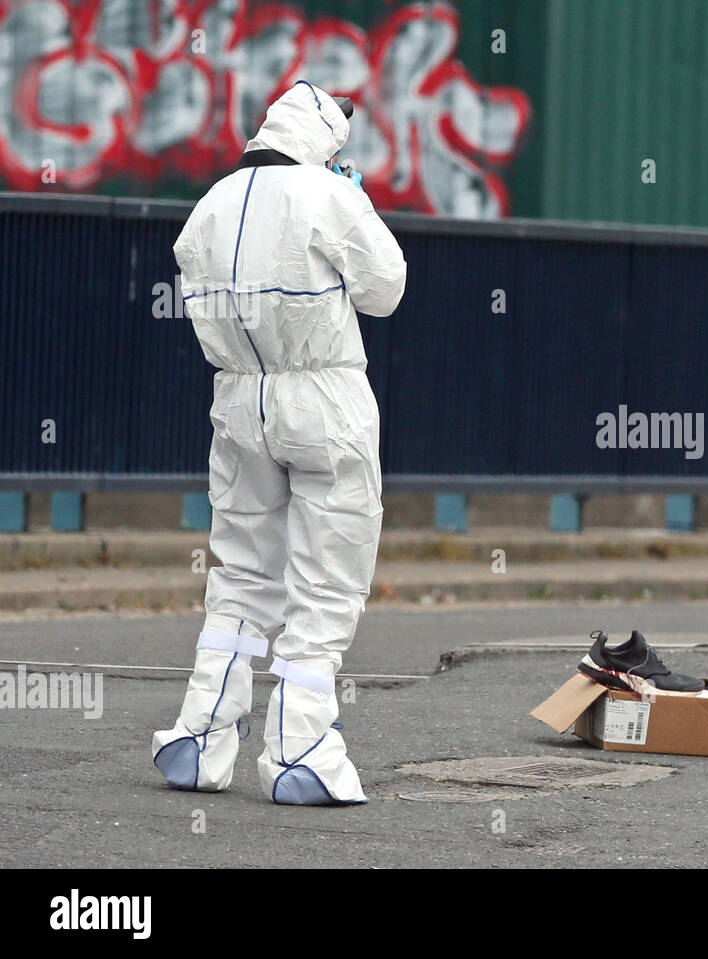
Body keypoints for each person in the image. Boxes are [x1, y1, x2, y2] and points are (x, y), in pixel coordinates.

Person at [151, 81, 407, 805]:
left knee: (239, 574)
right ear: (326, 141)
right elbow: (385, 287)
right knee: (325, 579)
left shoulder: (211, 205)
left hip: (238, 397)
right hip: (324, 395)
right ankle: (302, 748)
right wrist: (354, 200)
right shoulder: (328, 195)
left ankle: (199, 739)